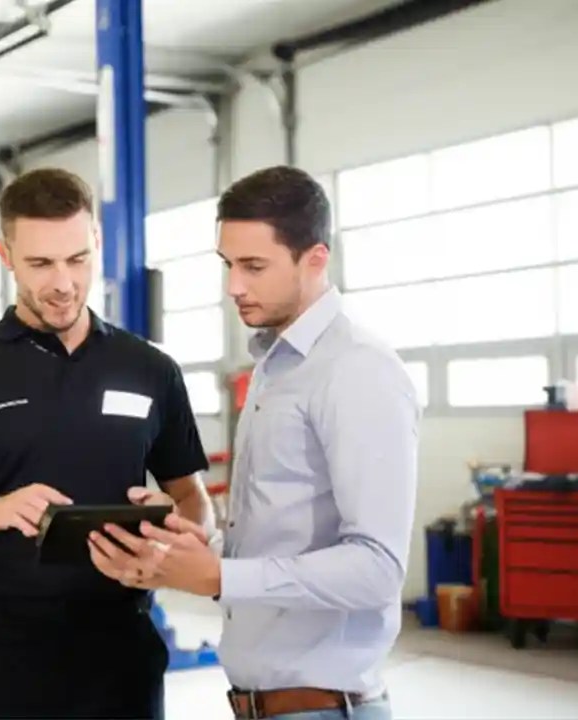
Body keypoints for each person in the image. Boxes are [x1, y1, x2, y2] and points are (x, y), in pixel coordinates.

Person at [90, 166, 419, 720]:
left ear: (315, 259)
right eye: (227, 264)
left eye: (254, 266)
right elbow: (279, 547)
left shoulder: (356, 371)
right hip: (266, 706)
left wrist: (220, 575)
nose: (233, 286)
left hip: (321, 708)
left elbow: (378, 568)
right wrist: (189, 549)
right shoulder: (277, 367)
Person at [0, 167, 216, 720]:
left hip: (120, 652)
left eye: (78, 259)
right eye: (41, 264)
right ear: (6, 254)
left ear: (96, 243)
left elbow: (194, 501)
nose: (63, 283)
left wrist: (172, 530)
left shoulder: (150, 370)